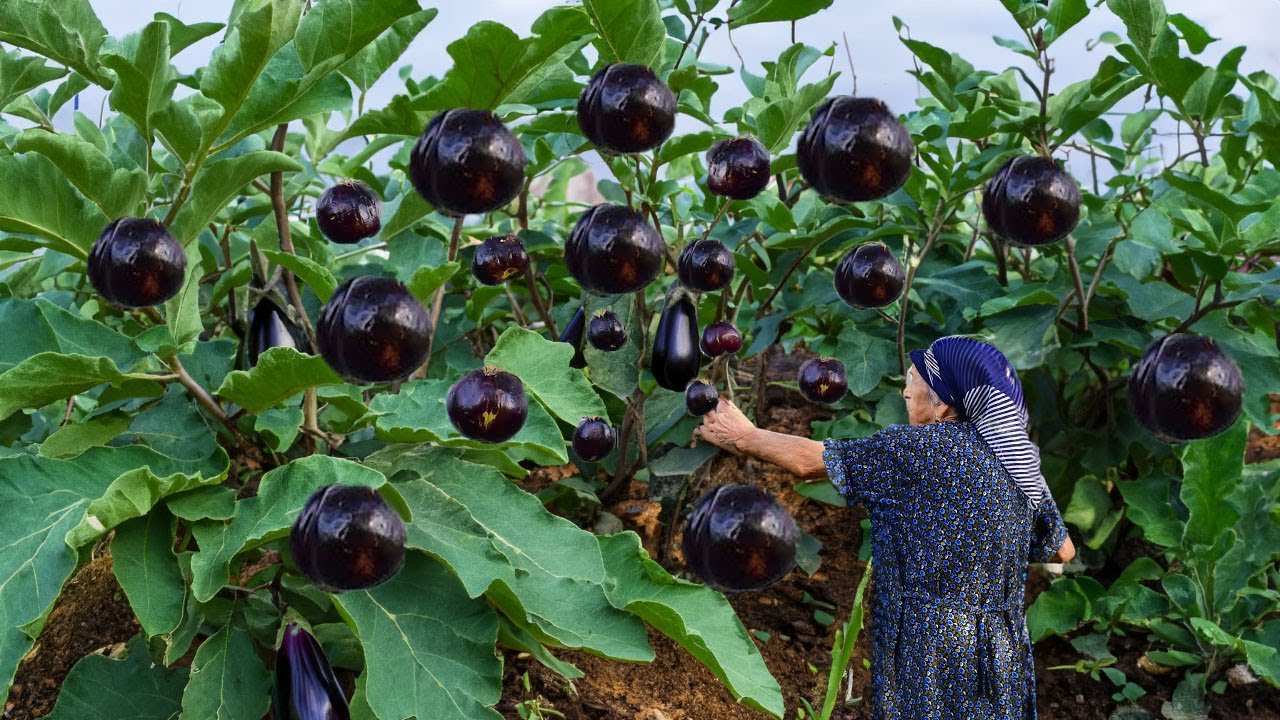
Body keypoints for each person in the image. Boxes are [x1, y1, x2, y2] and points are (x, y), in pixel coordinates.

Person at [693, 335, 1075, 720]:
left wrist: (745, 436)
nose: (906, 392)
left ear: (944, 402)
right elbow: (1063, 550)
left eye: (915, 380)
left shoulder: (922, 450)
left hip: (935, 647)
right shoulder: (1020, 467)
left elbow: (812, 462)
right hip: (1000, 643)